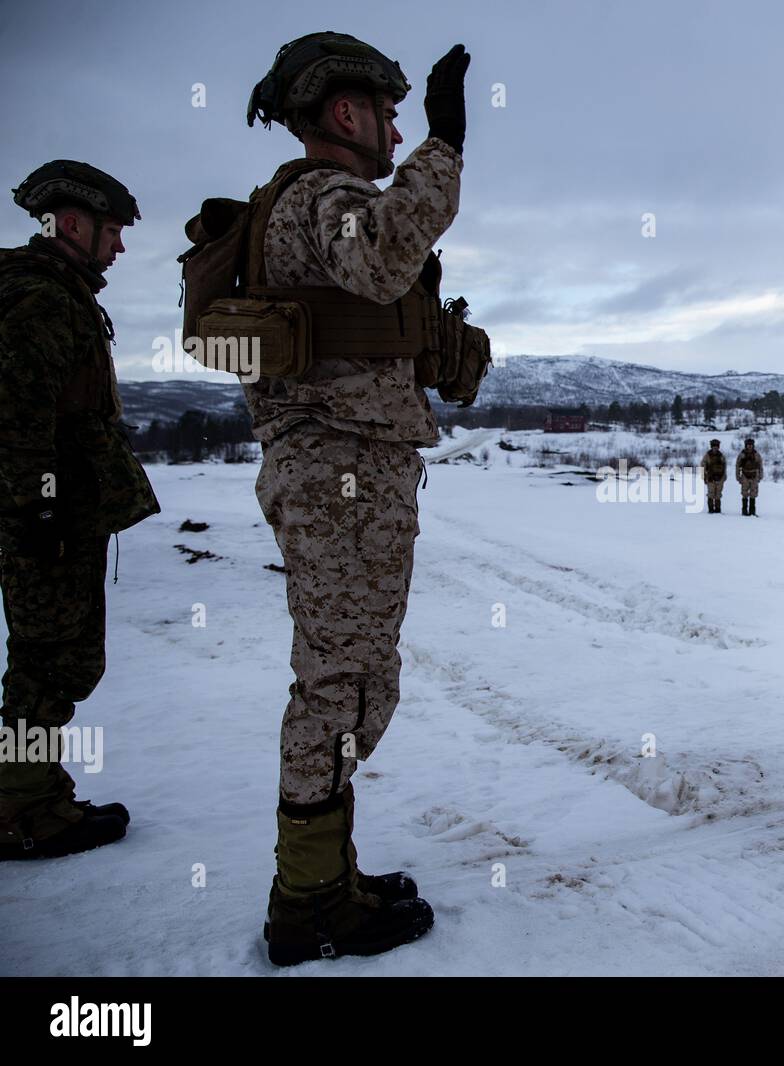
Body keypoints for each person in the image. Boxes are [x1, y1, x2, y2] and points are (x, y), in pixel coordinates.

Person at [238, 32, 471, 965]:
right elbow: (378, 257)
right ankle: (307, 904)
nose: (400, 127)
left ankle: (326, 875)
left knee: (352, 674)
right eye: (390, 112)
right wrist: (446, 148)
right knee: (340, 682)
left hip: (346, 470)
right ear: (346, 113)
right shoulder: (323, 199)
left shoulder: (299, 205)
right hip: (339, 473)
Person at [0, 161, 159, 859]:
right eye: (113, 232)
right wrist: (37, 516)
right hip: (48, 520)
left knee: (50, 660)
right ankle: (22, 807)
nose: (119, 248)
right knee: (47, 663)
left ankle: (29, 788)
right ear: (72, 223)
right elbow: (19, 420)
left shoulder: (54, 293)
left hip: (55, 515)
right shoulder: (39, 300)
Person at [735, 437, 763, 516]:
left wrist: (760, 476)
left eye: (751, 445)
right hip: (744, 475)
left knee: (753, 493)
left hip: (754, 475)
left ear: (753, 445)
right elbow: (737, 466)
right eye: (748, 445)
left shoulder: (757, 454)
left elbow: (760, 465)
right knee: (744, 493)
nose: (749, 446)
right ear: (746, 445)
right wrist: (738, 477)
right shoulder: (742, 455)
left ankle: (752, 511)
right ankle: (744, 511)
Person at [702, 438, 727, 513]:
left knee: (718, 494)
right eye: (714, 446)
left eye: (716, 446)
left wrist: (724, 477)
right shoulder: (707, 455)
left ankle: (718, 509)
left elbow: (724, 467)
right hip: (710, 477)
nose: (715, 447)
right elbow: (703, 466)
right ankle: (710, 509)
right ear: (711, 446)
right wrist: (704, 477)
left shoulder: (721, 455)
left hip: (720, 477)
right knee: (711, 493)